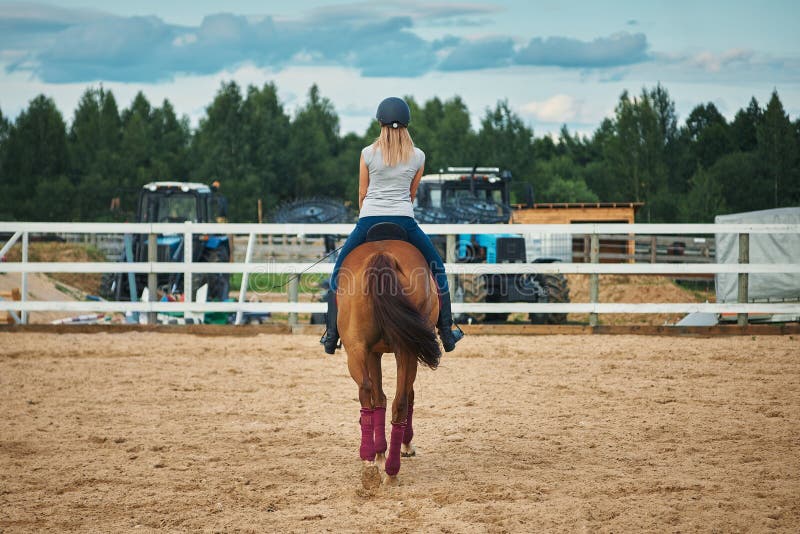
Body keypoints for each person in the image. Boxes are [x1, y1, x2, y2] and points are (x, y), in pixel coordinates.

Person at [321, 97, 463, 354]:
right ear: (407, 124)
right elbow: (411, 193)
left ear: (380, 123)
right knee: (437, 269)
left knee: (339, 273)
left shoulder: (367, 153)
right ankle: (447, 330)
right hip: (404, 221)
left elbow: (362, 192)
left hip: (368, 220)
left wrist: (367, 217)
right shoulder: (418, 156)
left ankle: (331, 334)